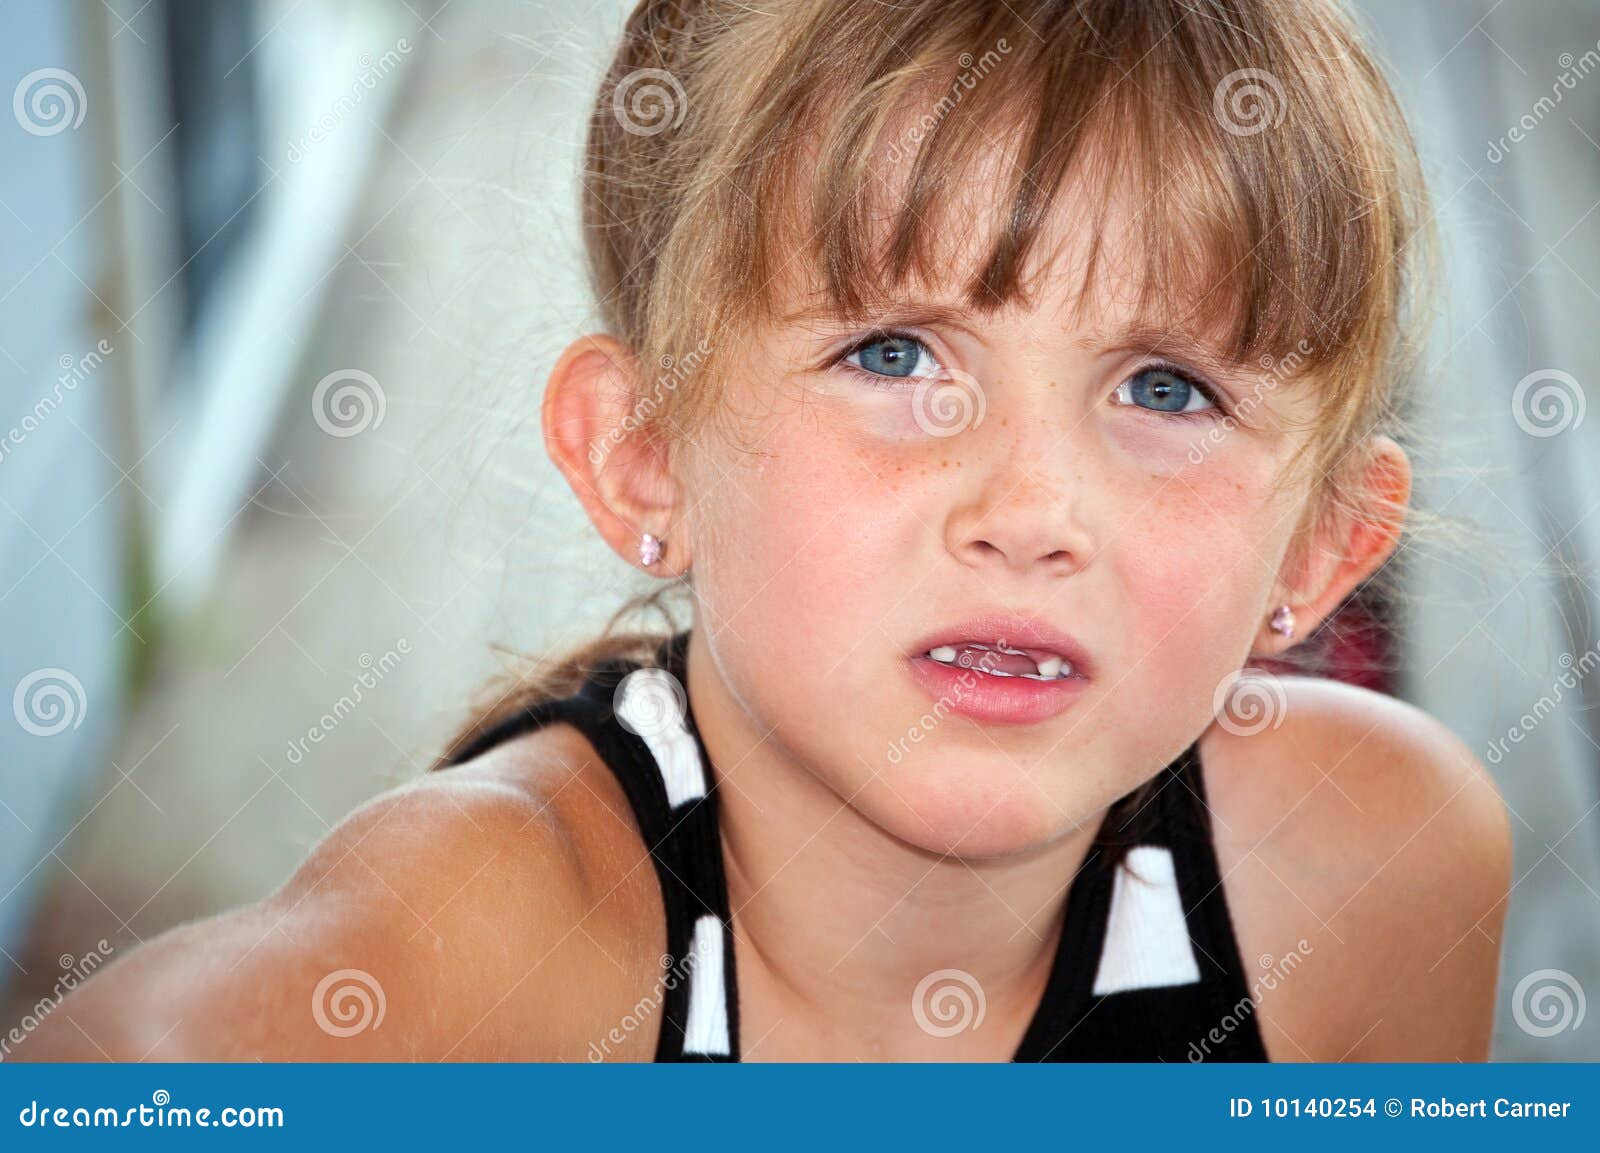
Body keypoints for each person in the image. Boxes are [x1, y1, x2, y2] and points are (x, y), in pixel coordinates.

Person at [17, 0, 1510, 1062]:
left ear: (1318, 548)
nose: (1035, 513)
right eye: (897, 356)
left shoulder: (1369, 869)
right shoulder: (522, 942)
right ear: (642, 454)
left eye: (1166, 386)